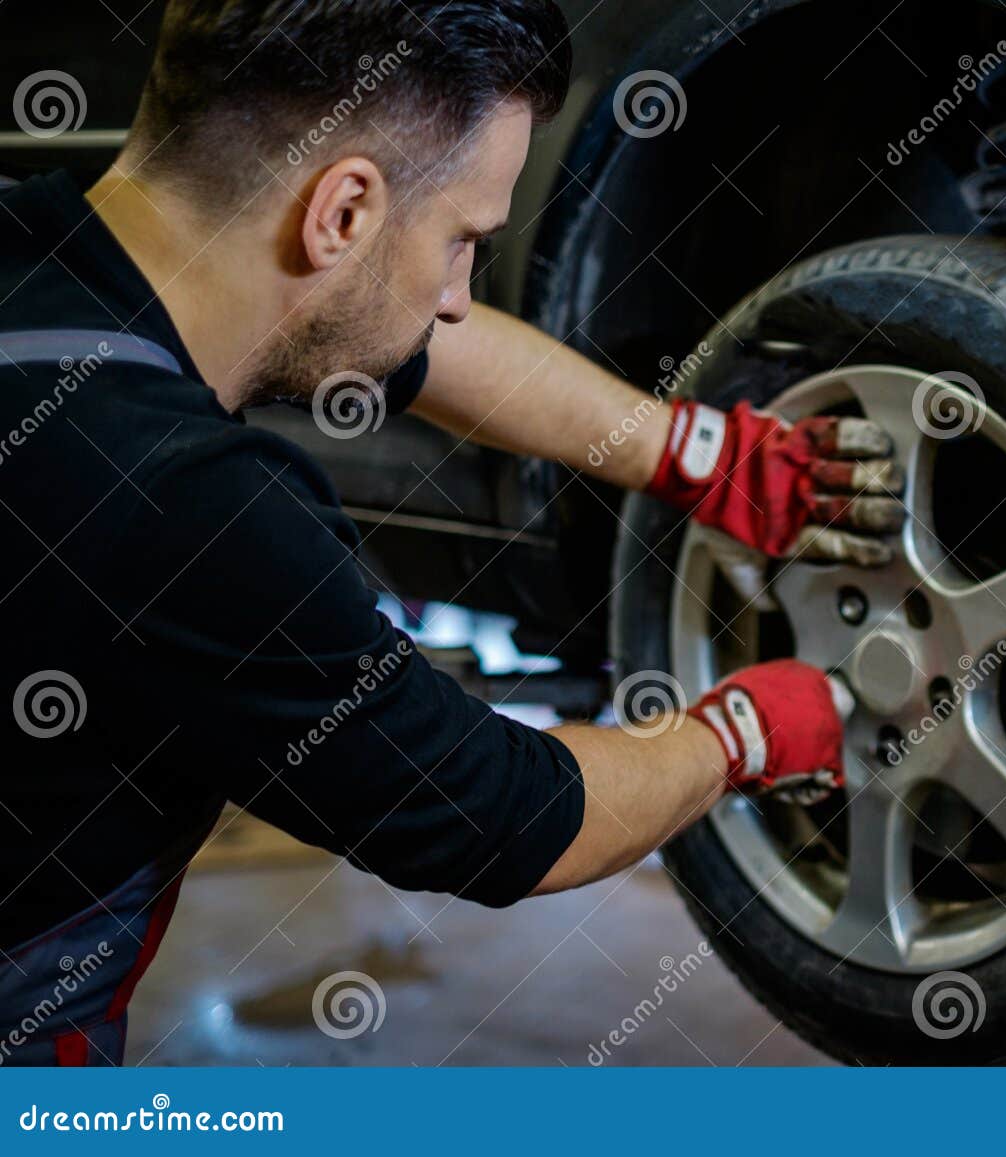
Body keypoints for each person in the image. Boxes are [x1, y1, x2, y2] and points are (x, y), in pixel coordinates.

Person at [0, 0, 902, 1065]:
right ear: (340, 212)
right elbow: (498, 812)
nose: (462, 296)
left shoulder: (40, 257)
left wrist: (700, 452)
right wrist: (739, 733)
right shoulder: (189, 510)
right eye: (465, 240)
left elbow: (408, 340)